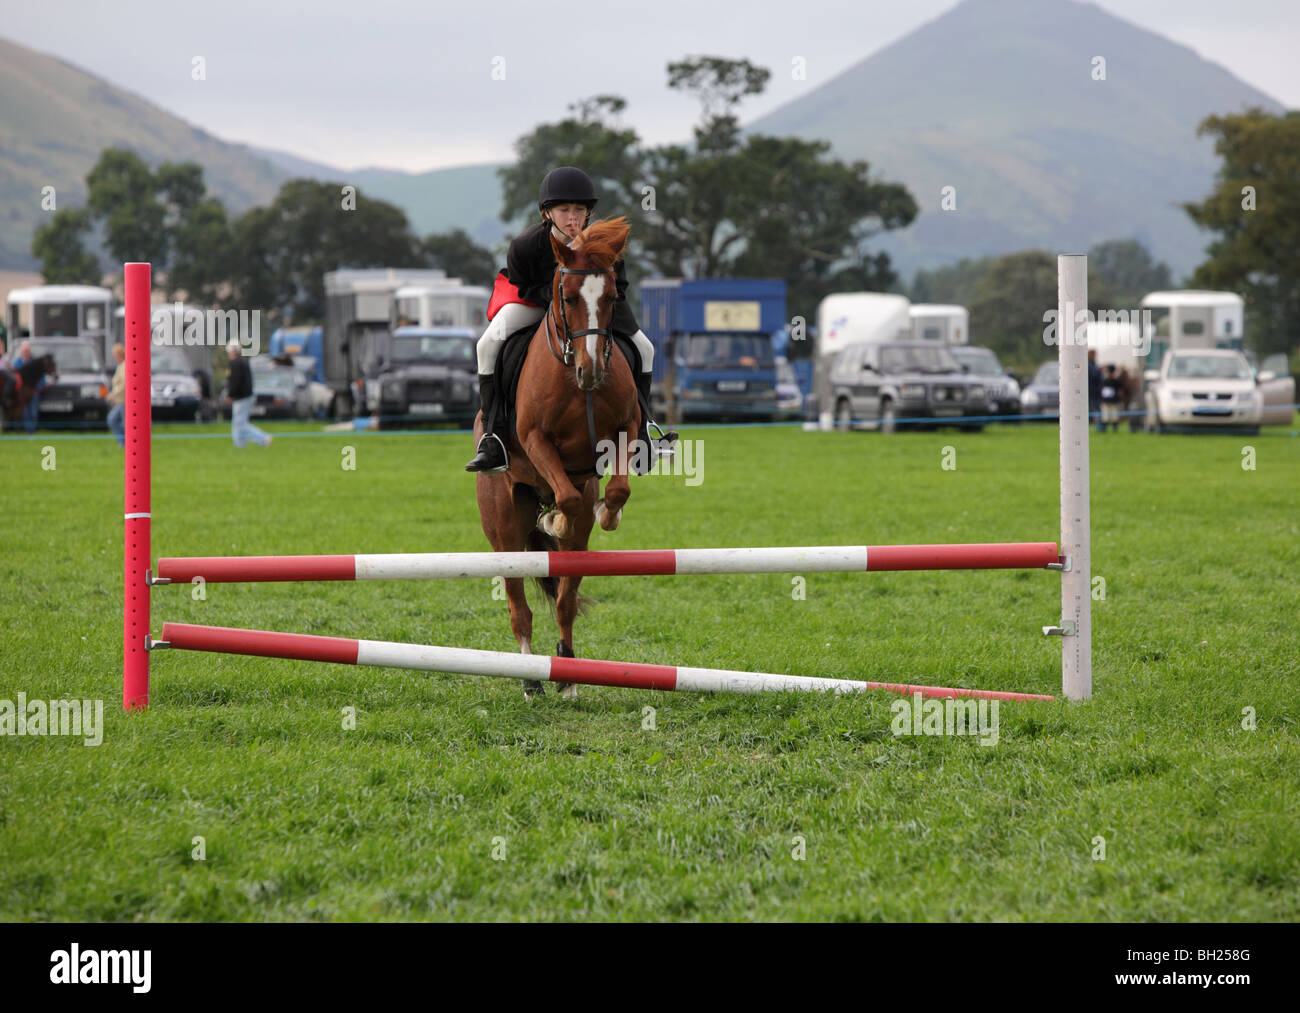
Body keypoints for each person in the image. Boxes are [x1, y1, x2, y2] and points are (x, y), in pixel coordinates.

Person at [465, 166, 678, 473]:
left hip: (594, 309)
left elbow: (621, 286)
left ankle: (644, 431)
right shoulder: (526, 245)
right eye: (564, 210)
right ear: (546, 213)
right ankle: (493, 435)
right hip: (536, 302)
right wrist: (558, 304)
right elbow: (523, 284)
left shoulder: (603, 245)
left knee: (645, 348)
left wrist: (593, 304)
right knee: (487, 345)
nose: (573, 218)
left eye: (580, 210)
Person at [224, 341, 272, 448]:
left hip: (241, 398)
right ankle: (240, 446)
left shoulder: (234, 364)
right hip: (246, 396)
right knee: (238, 424)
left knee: (239, 424)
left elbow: (235, 382)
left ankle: (263, 438)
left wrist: (230, 395)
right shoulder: (243, 362)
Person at [106, 343, 127, 447]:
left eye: (115, 355)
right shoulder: (121, 366)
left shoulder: (124, 366)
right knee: (113, 419)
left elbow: (124, 384)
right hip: (120, 400)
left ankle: (124, 443)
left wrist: (113, 395)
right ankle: (123, 443)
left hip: (124, 401)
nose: (114, 357)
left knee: (116, 421)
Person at [1087, 349, 1102, 432]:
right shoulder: (1089, 365)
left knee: (1095, 410)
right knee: (1095, 410)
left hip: (1095, 392)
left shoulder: (1093, 365)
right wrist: (1100, 371)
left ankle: (1099, 427)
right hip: (1092, 392)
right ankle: (1099, 427)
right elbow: (1094, 376)